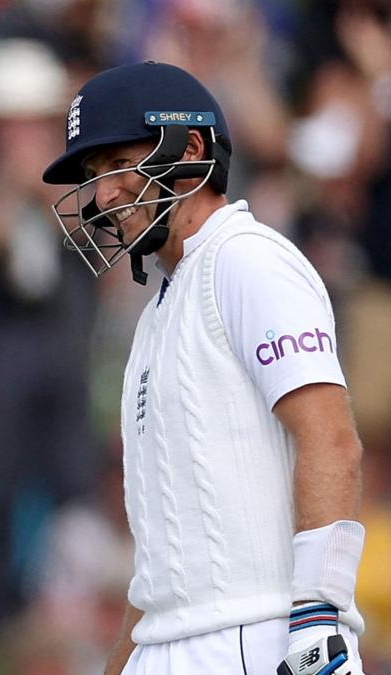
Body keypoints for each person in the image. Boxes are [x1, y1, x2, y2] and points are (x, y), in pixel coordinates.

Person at [41, 61, 366, 674]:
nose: (103, 195)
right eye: (92, 176)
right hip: (172, 641)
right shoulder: (156, 313)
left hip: (257, 632)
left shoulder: (248, 260)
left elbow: (331, 438)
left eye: (117, 163)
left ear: (190, 148)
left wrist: (318, 617)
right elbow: (165, 565)